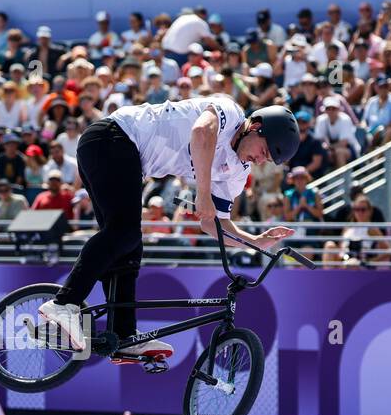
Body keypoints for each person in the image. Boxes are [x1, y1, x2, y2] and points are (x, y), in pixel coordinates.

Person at [38, 100, 299, 361]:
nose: (261, 160)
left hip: (124, 157)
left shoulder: (237, 172)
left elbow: (211, 224)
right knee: (124, 232)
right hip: (111, 137)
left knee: (128, 246)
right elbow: (201, 133)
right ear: (254, 127)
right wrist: (203, 193)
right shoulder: (229, 113)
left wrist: (253, 241)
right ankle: (63, 304)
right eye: (264, 151)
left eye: (268, 160)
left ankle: (123, 335)